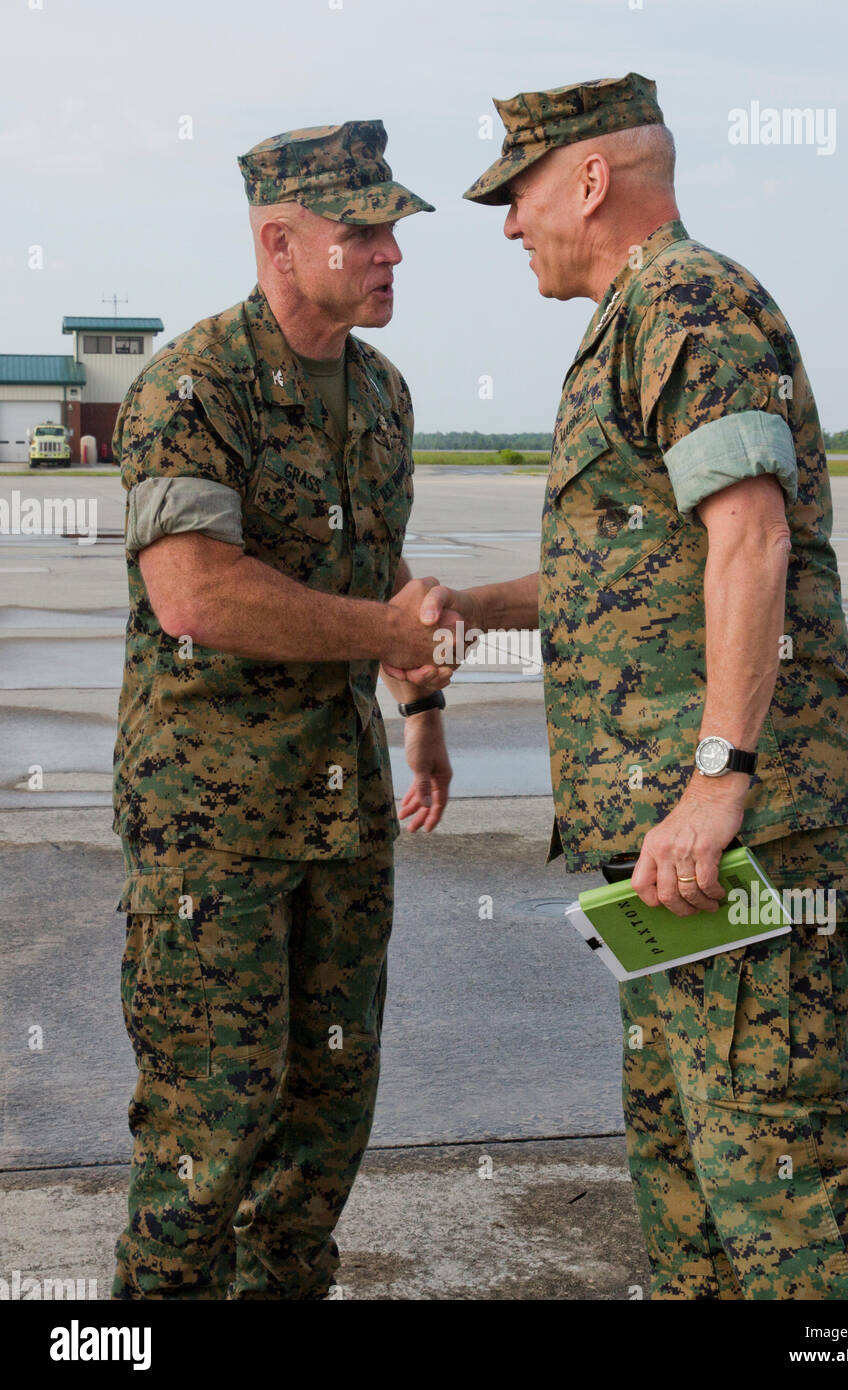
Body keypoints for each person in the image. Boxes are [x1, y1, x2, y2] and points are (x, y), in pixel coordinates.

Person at [399, 74, 848, 1299]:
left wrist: (716, 777)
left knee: (773, 1176)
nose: (508, 225)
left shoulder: (685, 300)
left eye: (515, 195)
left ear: (586, 178)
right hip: (675, 853)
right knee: (686, 1174)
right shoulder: (627, 322)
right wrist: (473, 609)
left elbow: (749, 538)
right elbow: (627, 570)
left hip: (748, 832)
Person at [111, 121, 458, 1299]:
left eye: (392, 232)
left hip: (341, 809)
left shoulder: (381, 395)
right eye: (361, 232)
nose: (389, 255)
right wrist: (386, 637)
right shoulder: (192, 384)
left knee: (327, 1110)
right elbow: (195, 594)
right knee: (210, 1121)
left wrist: (422, 711)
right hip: (214, 819)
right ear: (279, 240)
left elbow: (385, 575)